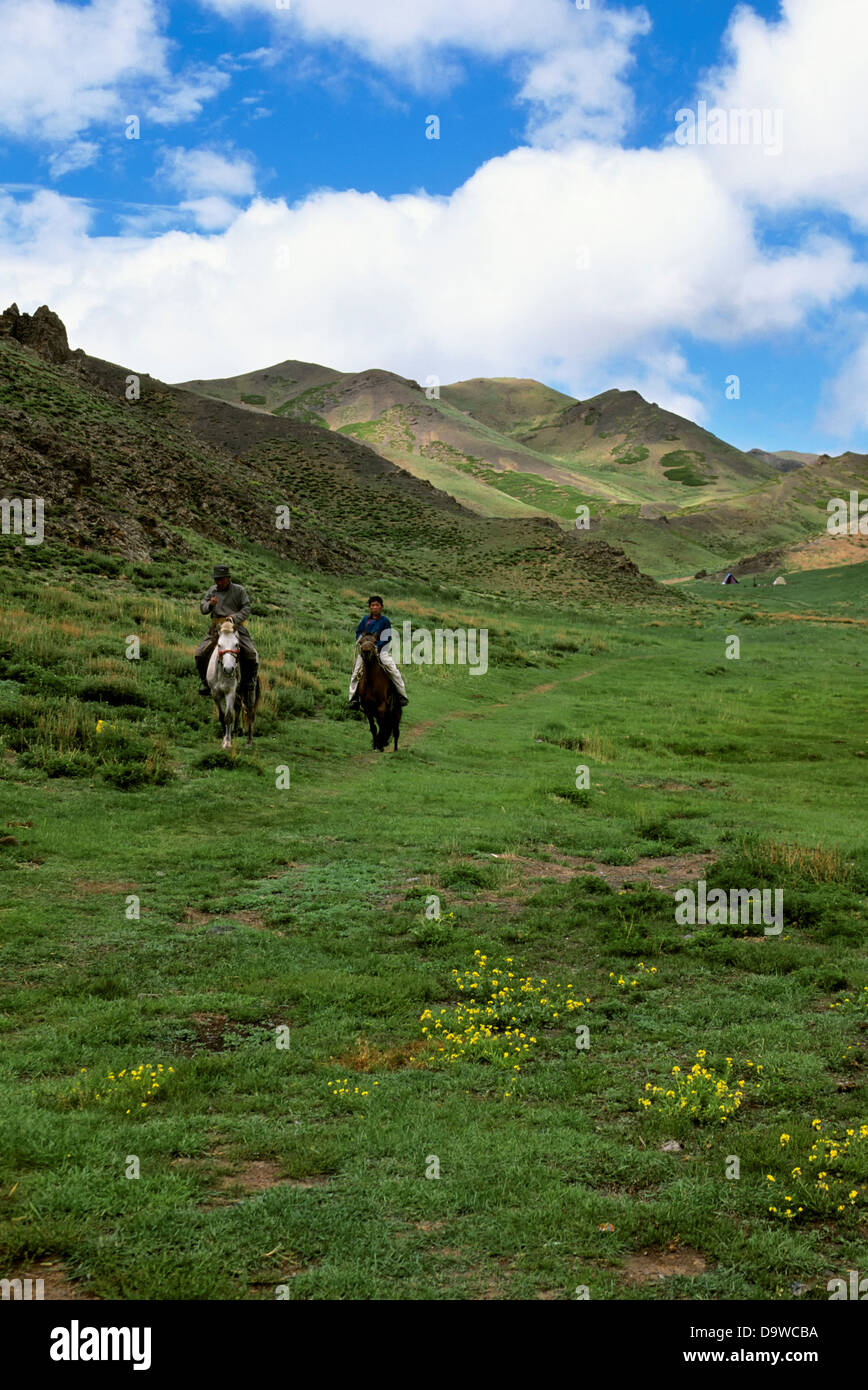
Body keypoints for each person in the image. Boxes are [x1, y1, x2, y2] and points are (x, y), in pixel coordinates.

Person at [194, 564, 259, 696]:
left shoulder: (239, 590)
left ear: (228, 578)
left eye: (221, 579)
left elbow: (246, 608)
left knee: (251, 653)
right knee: (199, 654)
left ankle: (249, 683)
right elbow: (203, 608)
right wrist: (210, 605)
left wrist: (234, 618)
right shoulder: (212, 590)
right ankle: (206, 683)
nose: (218, 582)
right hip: (216, 628)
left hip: (235, 627)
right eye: (216, 579)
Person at [348, 595, 408, 708]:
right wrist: (361, 641)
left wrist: (377, 647)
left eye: (377, 605)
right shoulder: (365, 620)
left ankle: (402, 695)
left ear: (381, 607)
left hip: (381, 650)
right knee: (356, 672)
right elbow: (359, 631)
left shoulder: (385, 621)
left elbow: (387, 637)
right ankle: (353, 699)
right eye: (372, 605)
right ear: (369, 607)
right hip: (365, 650)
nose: (375, 607)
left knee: (392, 669)